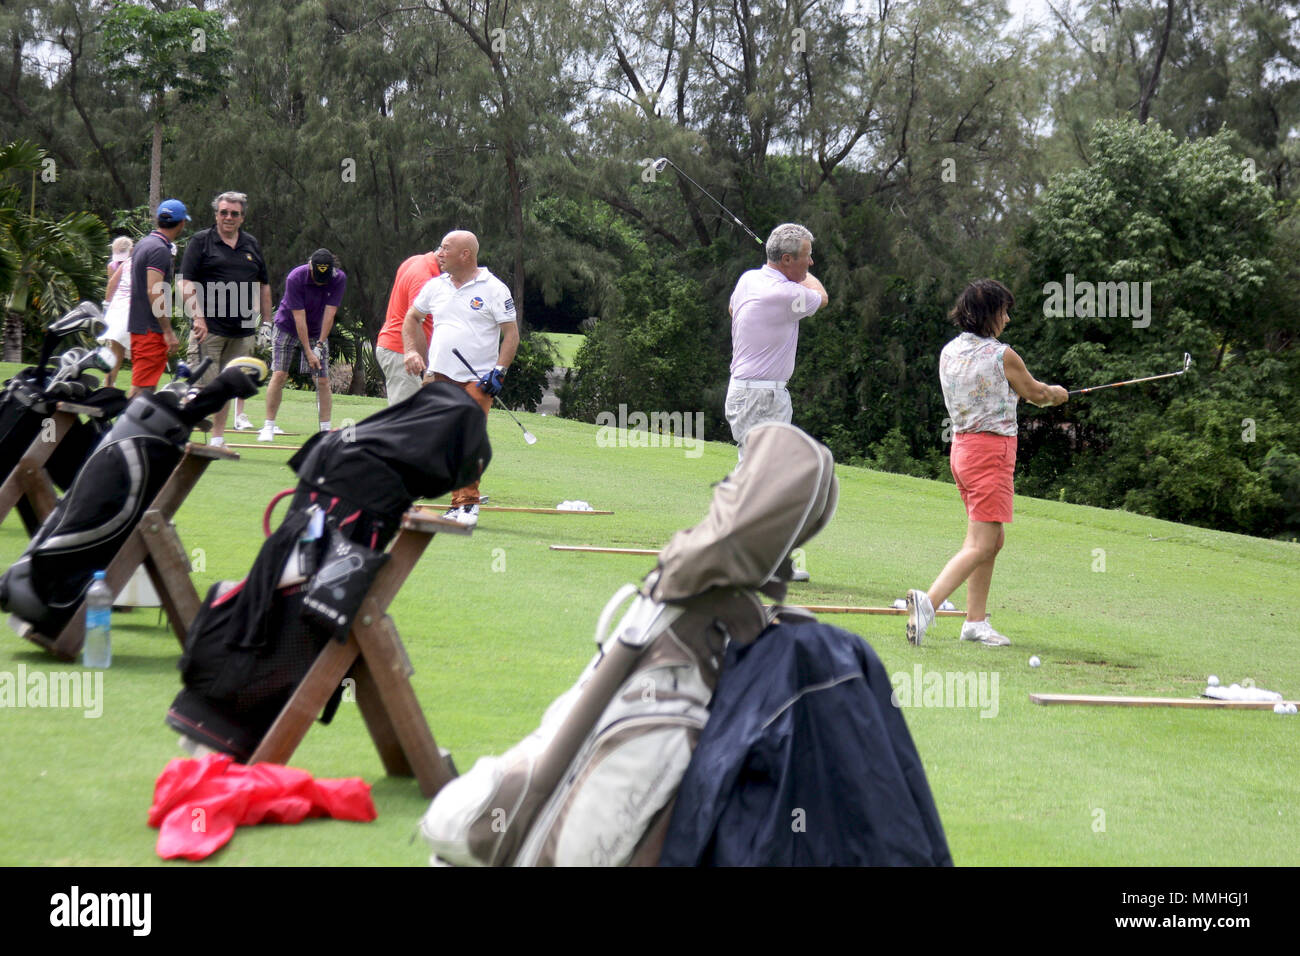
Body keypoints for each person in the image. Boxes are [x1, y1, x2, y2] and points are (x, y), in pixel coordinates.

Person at [905, 279, 1068, 648]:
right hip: (990, 454)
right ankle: (927, 604)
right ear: (988, 314)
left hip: (961, 451)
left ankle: (975, 622)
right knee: (982, 543)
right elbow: (1037, 394)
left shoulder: (949, 351)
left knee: (990, 540)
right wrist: (1058, 395)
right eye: (1003, 311)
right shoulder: (1002, 355)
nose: (1007, 319)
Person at [402, 230, 517, 527]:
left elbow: (511, 334)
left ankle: (466, 505)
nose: (439, 253)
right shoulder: (435, 286)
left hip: (478, 380)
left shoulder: (494, 288)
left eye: (445, 248)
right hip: (439, 376)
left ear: (465, 254)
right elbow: (412, 318)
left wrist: (499, 372)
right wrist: (411, 352)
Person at [725, 222, 828, 463]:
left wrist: (792, 271)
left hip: (749, 392)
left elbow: (733, 309)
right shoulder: (785, 294)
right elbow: (822, 298)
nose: (810, 263)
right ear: (787, 259)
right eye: (807, 257)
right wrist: (802, 276)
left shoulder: (749, 279)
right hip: (761, 397)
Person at [180, 191, 272, 447]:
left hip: (242, 331)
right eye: (223, 212)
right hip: (208, 329)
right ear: (216, 214)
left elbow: (264, 285)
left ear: (242, 217)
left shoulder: (251, 244)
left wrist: (266, 323)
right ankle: (177, 433)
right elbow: (185, 282)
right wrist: (197, 317)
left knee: (226, 389)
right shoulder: (201, 242)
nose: (228, 217)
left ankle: (217, 440)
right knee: (201, 389)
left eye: (234, 213)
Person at [258, 249, 346, 442]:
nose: (321, 281)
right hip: (287, 327)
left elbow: (330, 314)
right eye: (318, 276)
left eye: (325, 277)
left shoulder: (338, 278)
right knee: (280, 374)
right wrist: (309, 351)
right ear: (310, 267)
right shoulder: (295, 278)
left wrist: (320, 345)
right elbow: (300, 318)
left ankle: (325, 431)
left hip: (317, 331)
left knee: (322, 380)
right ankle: (268, 427)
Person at [126, 200, 189, 397]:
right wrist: (168, 332)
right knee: (142, 389)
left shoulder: (144, 244)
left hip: (139, 325)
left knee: (146, 386)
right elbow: (154, 291)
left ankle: (132, 427)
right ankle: (121, 428)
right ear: (181, 224)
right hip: (150, 330)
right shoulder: (160, 250)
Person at [377, 249, 440, 405]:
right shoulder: (423, 278)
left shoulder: (416, 260)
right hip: (403, 352)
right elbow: (415, 321)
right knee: (405, 419)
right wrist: (428, 369)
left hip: (396, 349)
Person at [100, 237, 133, 389]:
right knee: (115, 349)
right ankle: (108, 385)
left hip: (131, 309)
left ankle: (110, 384)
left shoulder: (135, 262)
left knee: (120, 350)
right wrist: (107, 307)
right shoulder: (112, 266)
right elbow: (112, 286)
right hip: (118, 309)